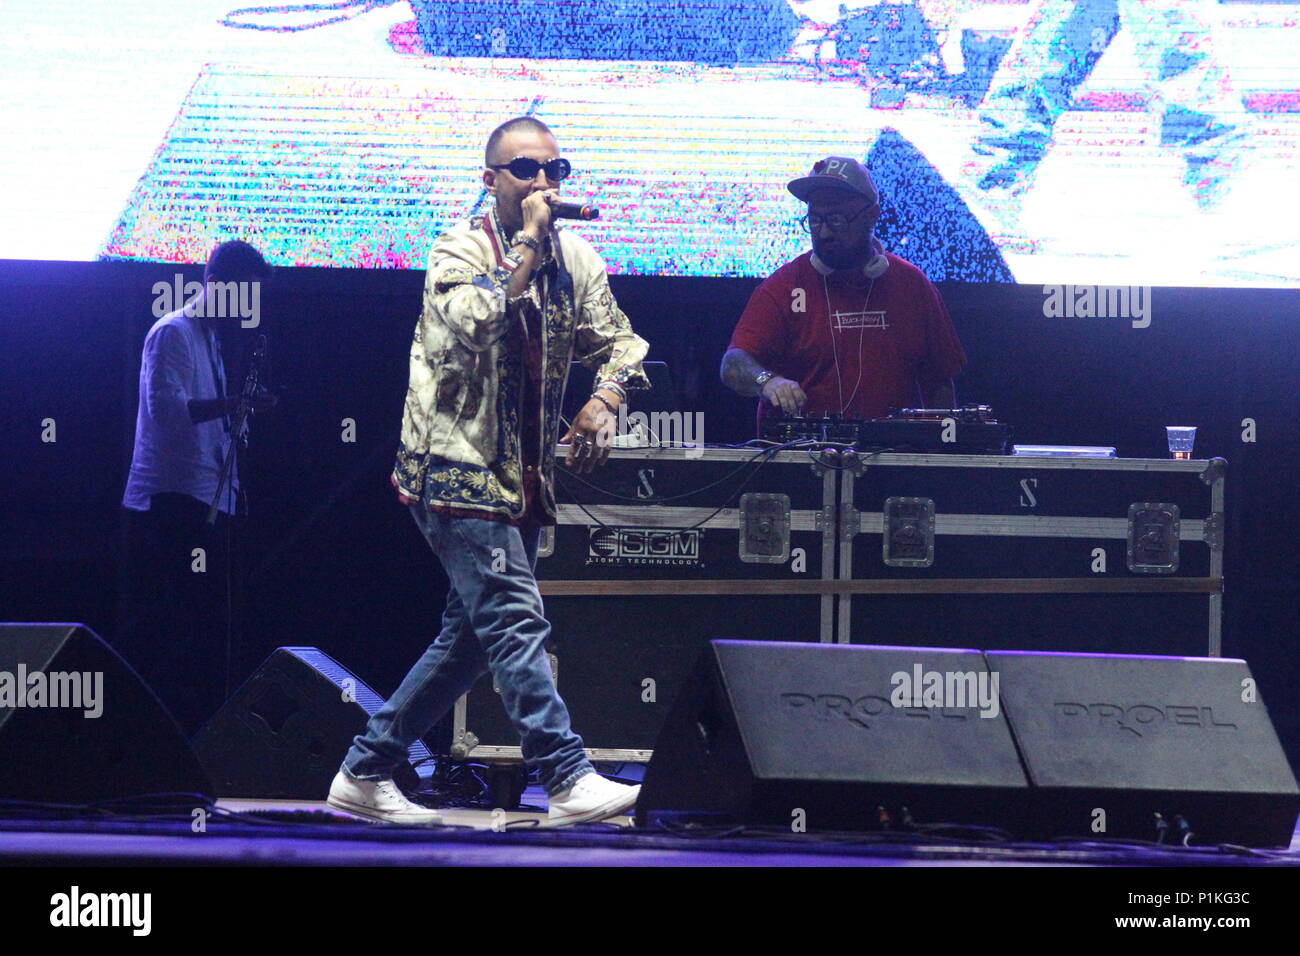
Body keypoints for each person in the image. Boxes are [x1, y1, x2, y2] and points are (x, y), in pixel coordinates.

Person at [328, 116, 651, 827]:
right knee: (512, 617)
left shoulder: (580, 259)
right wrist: (531, 243)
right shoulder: (458, 250)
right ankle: (565, 776)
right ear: (491, 179)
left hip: (524, 477)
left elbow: (624, 341)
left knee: (469, 641)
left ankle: (364, 771)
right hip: (454, 466)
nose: (543, 183)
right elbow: (477, 321)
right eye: (526, 170)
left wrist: (606, 395)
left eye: (554, 171)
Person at [118, 239, 277, 736]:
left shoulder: (209, 340)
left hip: (207, 498)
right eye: (244, 294)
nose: (248, 308)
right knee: (171, 624)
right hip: (172, 500)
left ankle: (193, 734)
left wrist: (242, 409)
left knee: (200, 625)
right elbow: (168, 412)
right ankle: (150, 732)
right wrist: (234, 403)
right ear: (219, 286)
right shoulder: (172, 333)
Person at [721, 156, 966, 428]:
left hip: (894, 459)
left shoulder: (911, 284)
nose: (823, 233)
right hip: (803, 457)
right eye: (815, 220)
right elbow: (733, 363)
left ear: (872, 216)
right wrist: (767, 382)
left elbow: (940, 380)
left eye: (836, 220)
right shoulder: (784, 286)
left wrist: (945, 448)